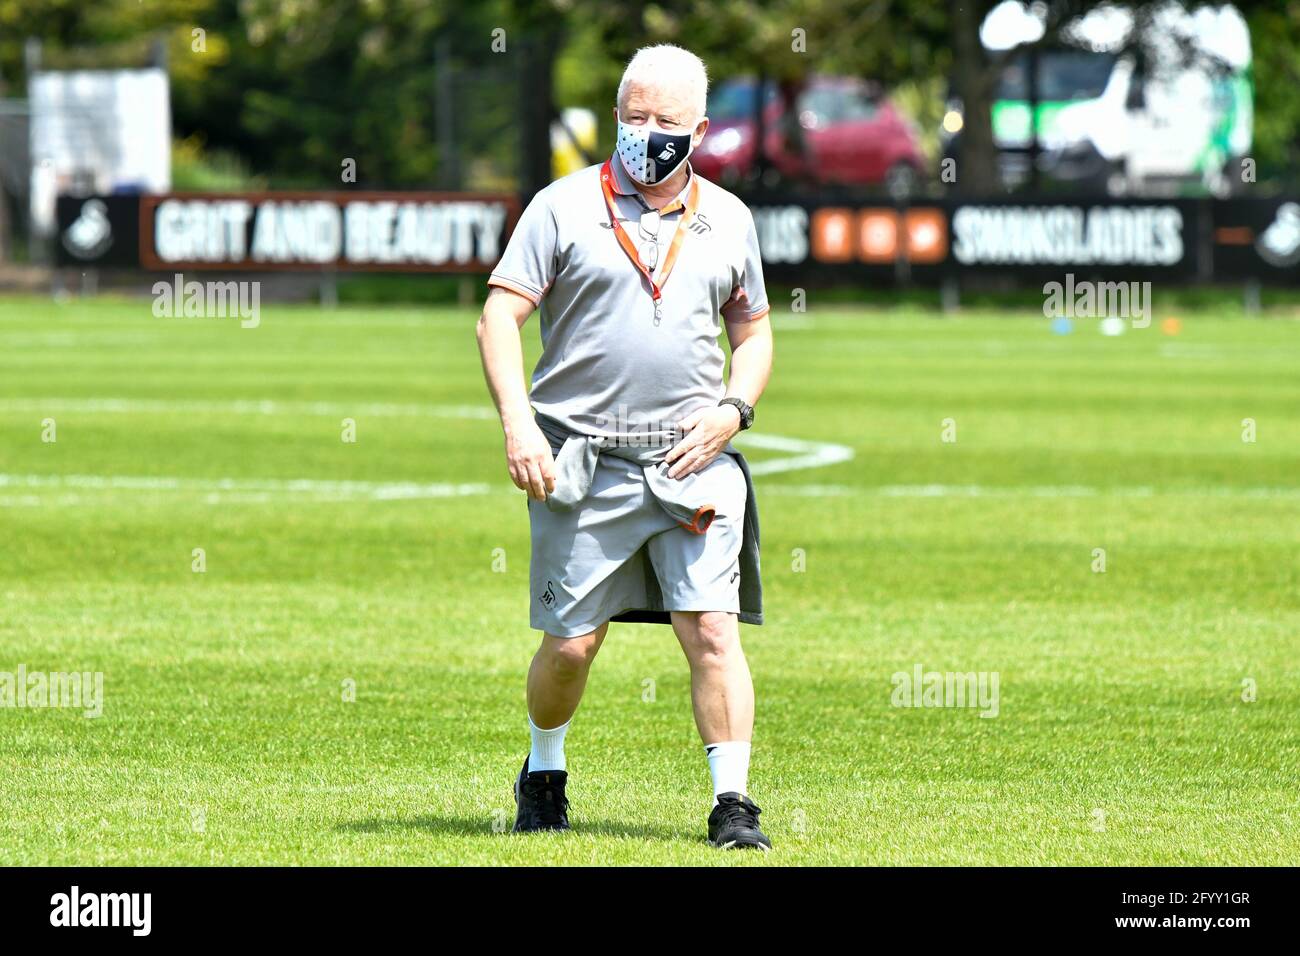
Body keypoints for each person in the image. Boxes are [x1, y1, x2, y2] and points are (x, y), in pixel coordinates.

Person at [476, 44, 774, 849]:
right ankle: (544, 769)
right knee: (571, 646)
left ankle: (733, 804)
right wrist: (517, 422)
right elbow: (499, 317)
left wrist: (735, 410)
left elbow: (753, 331)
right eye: (633, 116)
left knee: (711, 629)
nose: (648, 133)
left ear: (701, 130)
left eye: (667, 121)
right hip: (582, 458)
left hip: (693, 459)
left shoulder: (730, 219)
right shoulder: (561, 206)